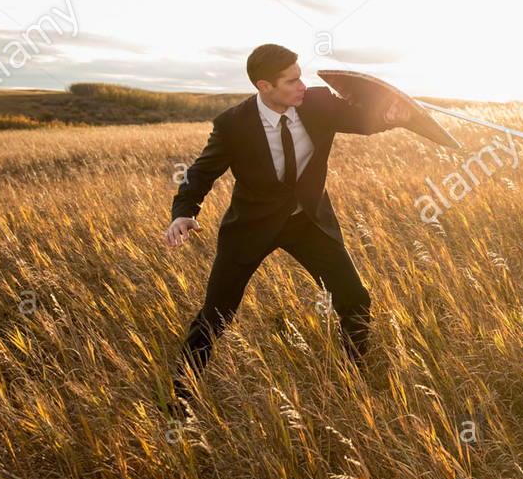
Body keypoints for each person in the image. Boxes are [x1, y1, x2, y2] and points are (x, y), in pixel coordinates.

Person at [163, 43, 411, 422]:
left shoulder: (317, 102)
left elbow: (363, 121)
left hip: (308, 222)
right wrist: (183, 212)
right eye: (292, 80)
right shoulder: (233, 123)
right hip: (251, 227)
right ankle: (180, 402)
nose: (302, 85)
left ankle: (352, 382)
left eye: (301, 75)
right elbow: (201, 172)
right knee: (217, 315)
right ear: (265, 86)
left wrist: (390, 116)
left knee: (355, 298)